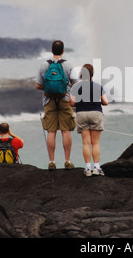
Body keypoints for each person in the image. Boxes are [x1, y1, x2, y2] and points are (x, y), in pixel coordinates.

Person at [36, 40, 76, 171]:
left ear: (52, 51)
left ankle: (52, 161)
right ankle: (67, 161)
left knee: (51, 131)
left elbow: (38, 85)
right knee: (65, 130)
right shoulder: (69, 65)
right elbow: (75, 84)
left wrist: (48, 88)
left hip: (49, 101)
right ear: (63, 51)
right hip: (65, 99)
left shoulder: (44, 65)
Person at [70, 64, 109, 177]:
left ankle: (87, 168)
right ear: (92, 74)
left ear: (81, 73)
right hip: (96, 113)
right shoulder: (98, 86)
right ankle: (96, 167)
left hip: (81, 114)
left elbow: (72, 103)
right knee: (95, 142)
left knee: (86, 143)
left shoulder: (76, 87)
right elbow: (105, 102)